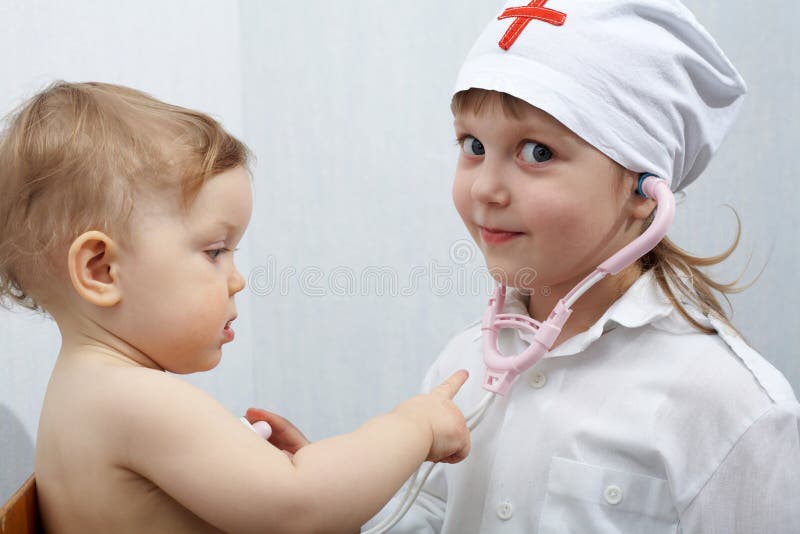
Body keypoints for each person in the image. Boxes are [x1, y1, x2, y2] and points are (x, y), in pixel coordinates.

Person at [258, 1, 800, 532]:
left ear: (644, 189)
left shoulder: (728, 405)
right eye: (473, 145)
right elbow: (424, 516)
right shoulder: (466, 362)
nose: (486, 188)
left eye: (536, 153)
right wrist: (335, 498)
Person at [0, 81, 471, 533]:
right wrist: (414, 427)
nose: (236, 279)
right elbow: (302, 507)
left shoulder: (80, 393)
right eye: (214, 251)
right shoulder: (133, 400)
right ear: (102, 270)